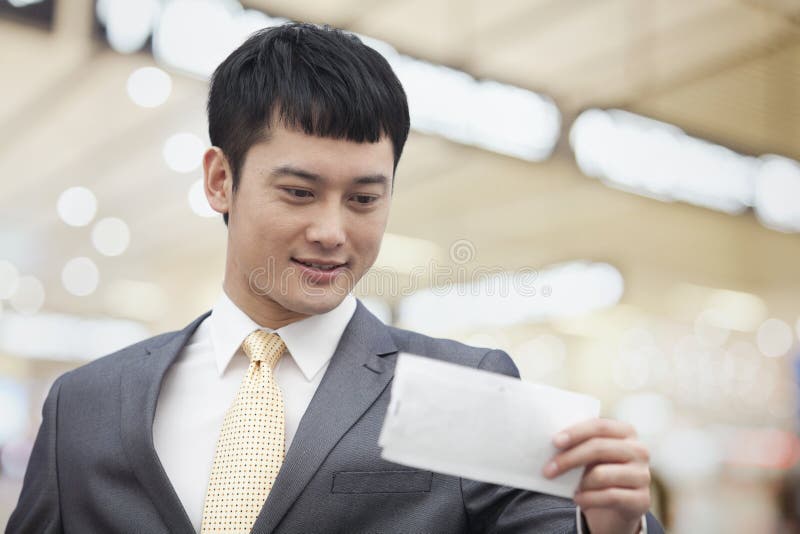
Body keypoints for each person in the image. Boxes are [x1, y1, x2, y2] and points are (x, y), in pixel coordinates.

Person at [7, 23, 662, 534]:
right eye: (299, 192)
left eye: (364, 199)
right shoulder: (85, 406)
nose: (332, 230)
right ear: (220, 180)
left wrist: (609, 526)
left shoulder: (460, 390)